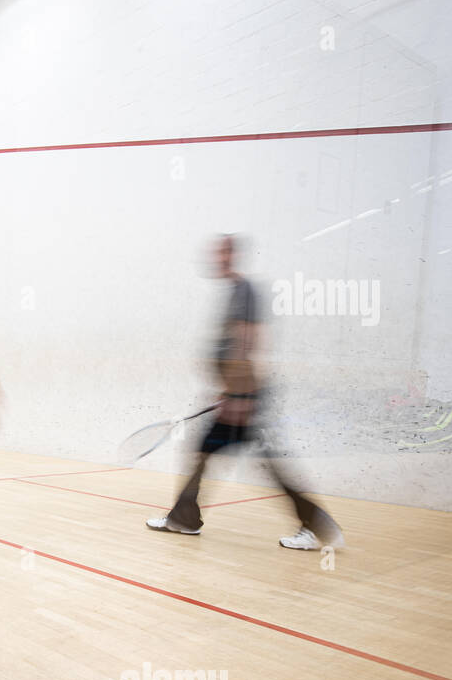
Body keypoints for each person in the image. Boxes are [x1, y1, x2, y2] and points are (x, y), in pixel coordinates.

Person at [146, 234, 343, 550]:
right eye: (215, 253)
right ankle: (184, 518)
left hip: (244, 398)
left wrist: (240, 396)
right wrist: (229, 389)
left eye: (223, 253)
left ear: (233, 256)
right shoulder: (235, 292)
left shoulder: (243, 291)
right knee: (205, 454)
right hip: (237, 394)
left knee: (260, 462)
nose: (217, 259)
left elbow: (247, 341)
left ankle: (317, 527)